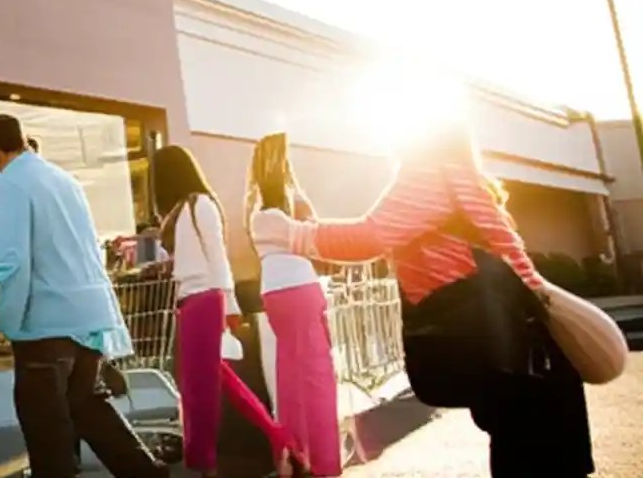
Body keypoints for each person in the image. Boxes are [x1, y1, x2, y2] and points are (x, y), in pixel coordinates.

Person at [253, 119, 593, 477]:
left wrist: (292, 235)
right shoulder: (463, 177)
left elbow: (370, 236)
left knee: (521, 448)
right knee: (531, 444)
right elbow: (519, 265)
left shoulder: (429, 177)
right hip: (525, 341)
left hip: (492, 338)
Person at [0, 114, 167, 478]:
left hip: (47, 318)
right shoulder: (66, 180)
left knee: (44, 419)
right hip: (89, 313)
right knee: (86, 405)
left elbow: (4, 259)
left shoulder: (11, 183)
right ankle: (145, 471)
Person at [151, 144, 304, 478]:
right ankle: (279, 436)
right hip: (190, 302)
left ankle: (206, 464)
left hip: (205, 300)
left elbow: (218, 257)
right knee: (220, 384)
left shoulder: (199, 205)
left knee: (199, 391)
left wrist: (229, 305)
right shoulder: (182, 210)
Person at [246, 134, 341, 476]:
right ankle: (325, 462)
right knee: (316, 373)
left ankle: (294, 452)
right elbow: (315, 237)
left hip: (274, 291)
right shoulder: (291, 207)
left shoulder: (255, 213)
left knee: (288, 373)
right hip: (301, 286)